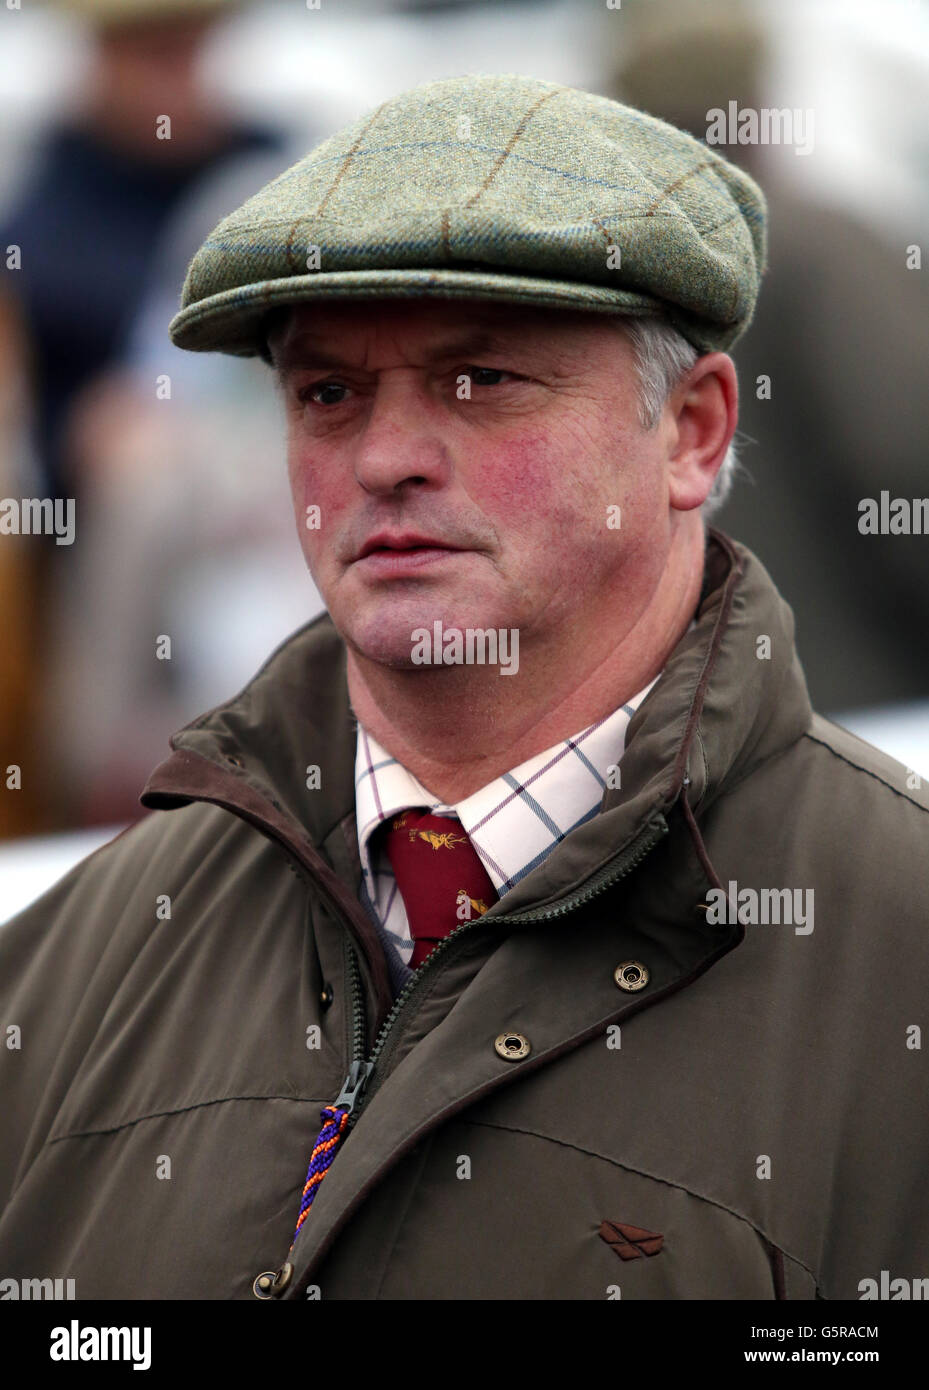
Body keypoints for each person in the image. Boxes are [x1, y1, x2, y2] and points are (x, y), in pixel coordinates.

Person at [0, 74, 926, 1302]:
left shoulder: (893, 951)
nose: (384, 458)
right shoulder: (72, 966)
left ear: (691, 432)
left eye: (479, 380)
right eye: (327, 392)